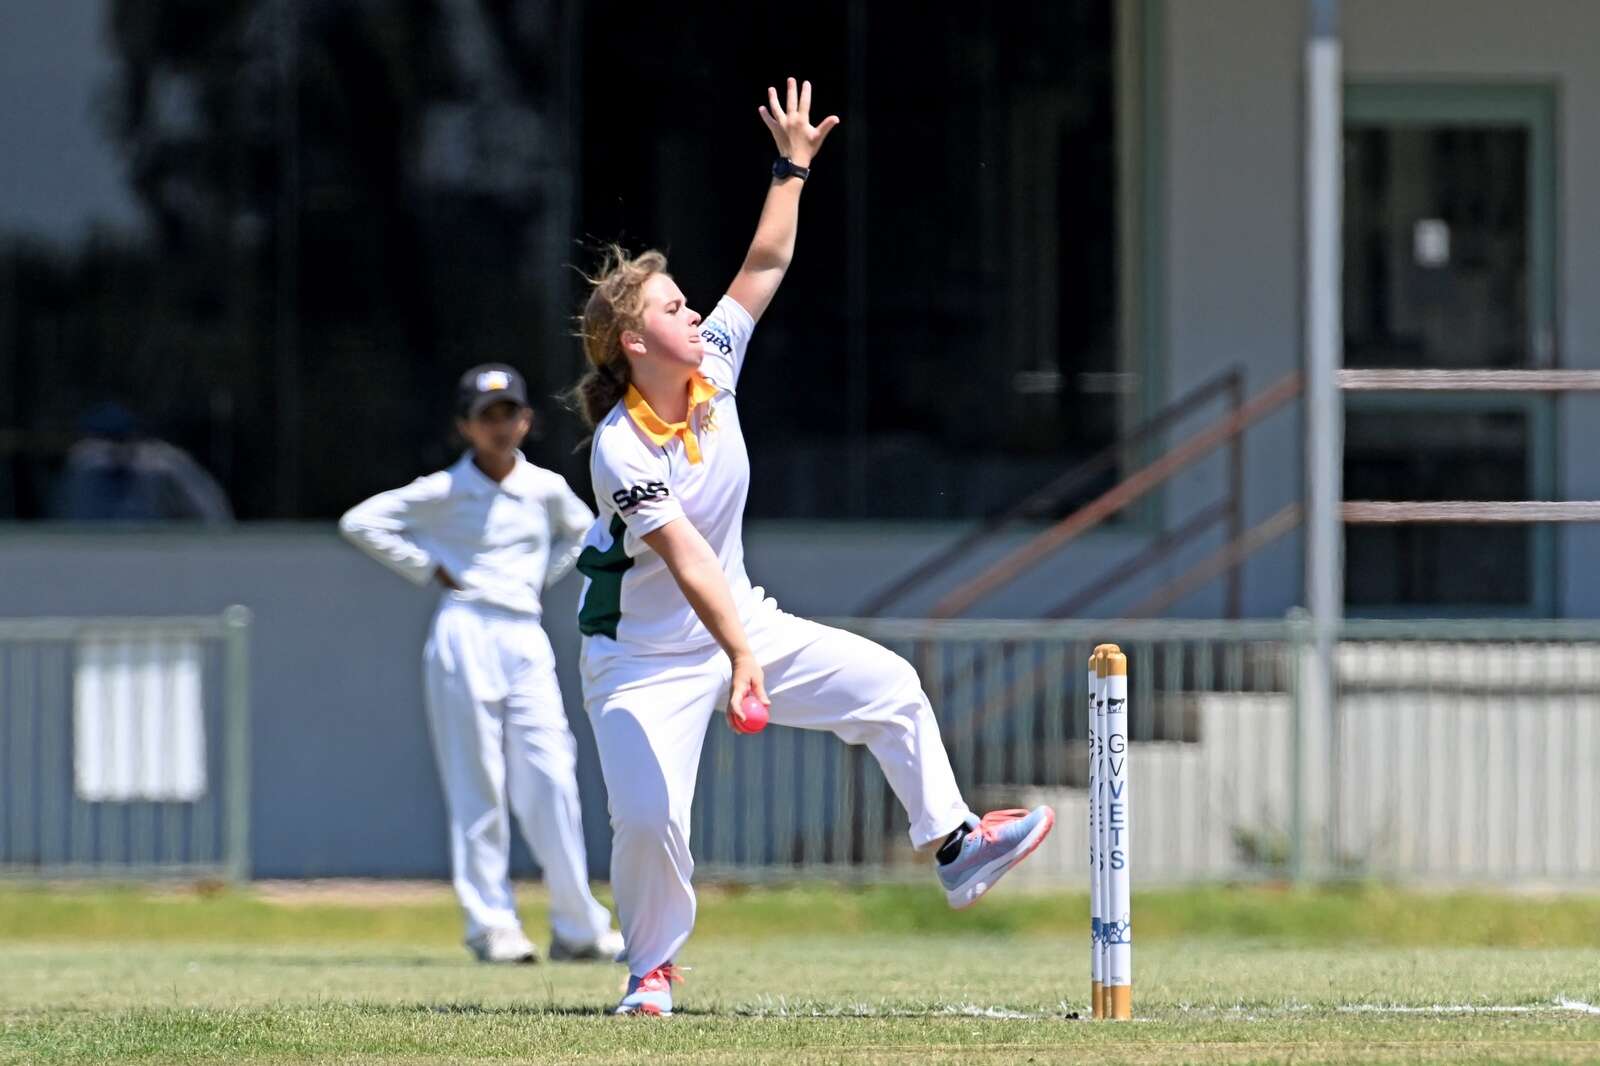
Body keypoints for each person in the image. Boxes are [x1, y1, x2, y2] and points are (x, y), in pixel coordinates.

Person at [570, 78, 1055, 1017]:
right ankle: (651, 971)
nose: (691, 314)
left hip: (740, 625)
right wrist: (741, 656)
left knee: (889, 688)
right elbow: (686, 559)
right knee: (649, 820)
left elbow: (763, 263)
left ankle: (955, 845)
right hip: (639, 663)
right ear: (632, 343)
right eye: (671, 308)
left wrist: (792, 166)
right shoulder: (620, 445)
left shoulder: (712, 363)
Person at [340, 365, 624, 964]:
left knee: (551, 777)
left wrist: (537, 580)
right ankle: (491, 924)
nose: (500, 427)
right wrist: (430, 568)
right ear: (465, 426)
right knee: (479, 782)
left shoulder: (545, 487)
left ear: (527, 419)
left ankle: (578, 925)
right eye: (487, 416)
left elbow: (585, 533)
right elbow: (362, 521)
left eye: (510, 414)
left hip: (523, 634)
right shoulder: (444, 490)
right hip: (464, 628)